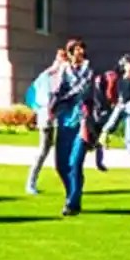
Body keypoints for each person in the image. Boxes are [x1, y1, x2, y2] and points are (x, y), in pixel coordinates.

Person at [51, 37, 96, 217]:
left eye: (81, 50)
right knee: (61, 165)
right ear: (69, 53)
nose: (79, 54)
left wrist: (86, 123)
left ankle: (72, 202)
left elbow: (83, 93)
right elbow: (55, 92)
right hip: (64, 122)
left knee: (74, 163)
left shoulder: (89, 71)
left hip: (81, 122)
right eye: (75, 50)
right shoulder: (63, 71)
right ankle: (72, 194)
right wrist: (50, 108)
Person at [25, 48, 68, 195]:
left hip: (59, 118)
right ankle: (31, 182)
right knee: (43, 150)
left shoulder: (64, 78)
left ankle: (68, 184)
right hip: (46, 118)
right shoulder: (46, 77)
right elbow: (31, 95)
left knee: (61, 151)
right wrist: (39, 109)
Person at [99, 54, 130, 155]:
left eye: (129, 64)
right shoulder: (120, 78)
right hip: (121, 103)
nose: (129, 66)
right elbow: (118, 90)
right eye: (126, 64)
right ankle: (103, 138)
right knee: (111, 122)